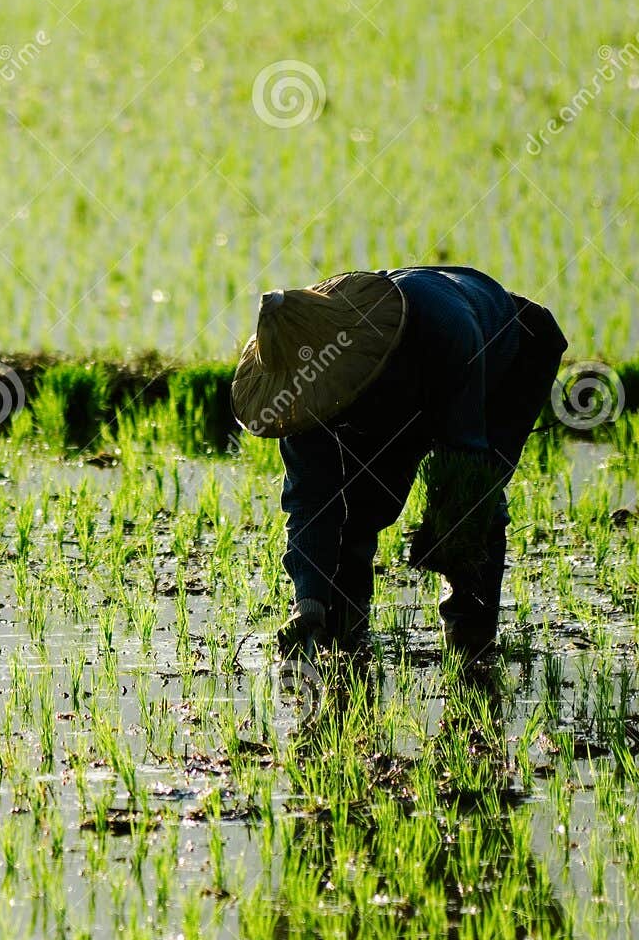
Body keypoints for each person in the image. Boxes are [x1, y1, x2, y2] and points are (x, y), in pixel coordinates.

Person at [230, 267, 568, 661]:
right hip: (403, 385)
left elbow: (466, 457)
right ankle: (340, 636)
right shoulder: (301, 396)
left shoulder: (440, 326)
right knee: (359, 510)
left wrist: (448, 526)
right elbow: (311, 500)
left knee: (473, 507)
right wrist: (308, 602)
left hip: (503, 356)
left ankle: (472, 643)